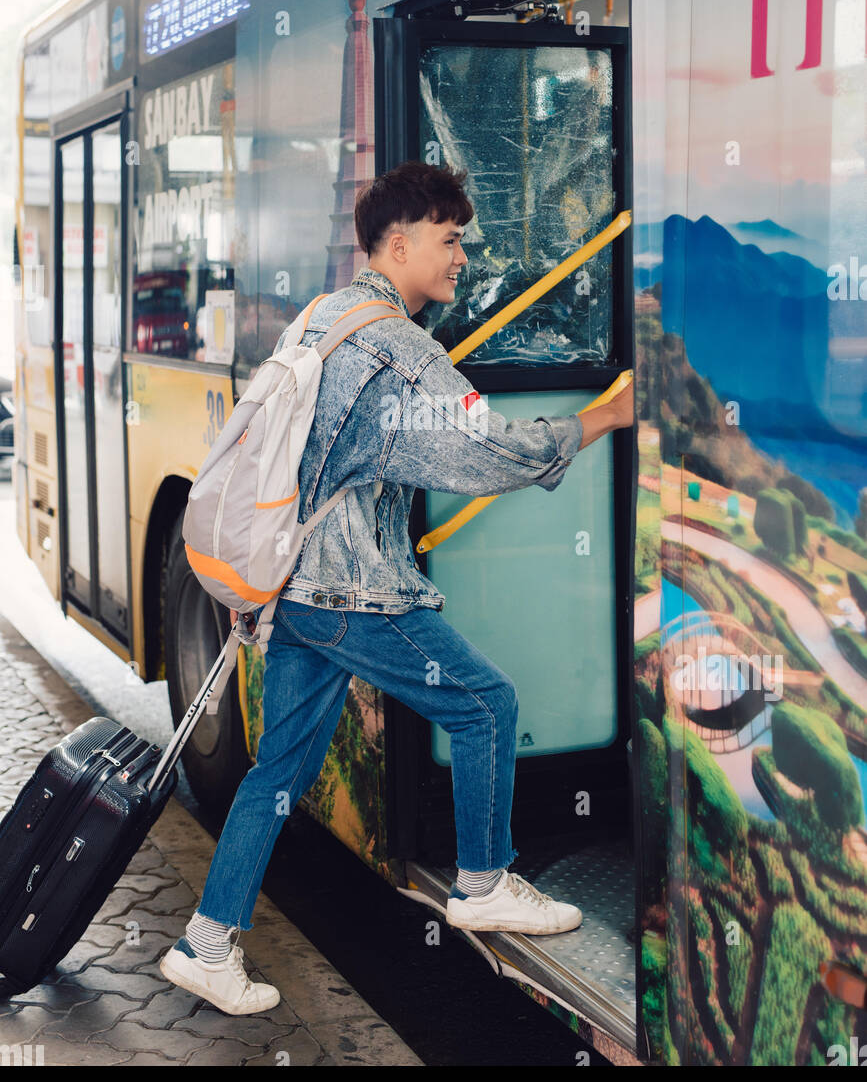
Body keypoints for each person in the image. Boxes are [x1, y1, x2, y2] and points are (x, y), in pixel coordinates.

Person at [160, 161, 635, 1015]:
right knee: (484, 704)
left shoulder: (325, 316)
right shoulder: (396, 350)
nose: (461, 259)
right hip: (346, 593)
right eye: (451, 242)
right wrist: (604, 415)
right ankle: (484, 882)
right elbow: (484, 450)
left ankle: (205, 943)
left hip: (288, 587)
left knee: (280, 768)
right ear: (401, 242)